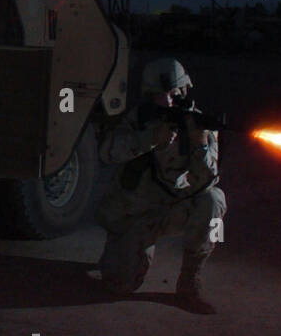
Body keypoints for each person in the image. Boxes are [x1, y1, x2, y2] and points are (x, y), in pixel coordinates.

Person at [94, 58, 227, 313]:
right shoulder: (138, 119)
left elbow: (208, 180)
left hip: (173, 210)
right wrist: (149, 140)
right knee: (118, 285)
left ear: (184, 91)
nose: (167, 101)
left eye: (172, 93)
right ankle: (120, 252)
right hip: (136, 214)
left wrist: (199, 143)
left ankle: (190, 280)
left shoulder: (199, 125)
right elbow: (107, 153)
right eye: (158, 95)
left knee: (214, 201)